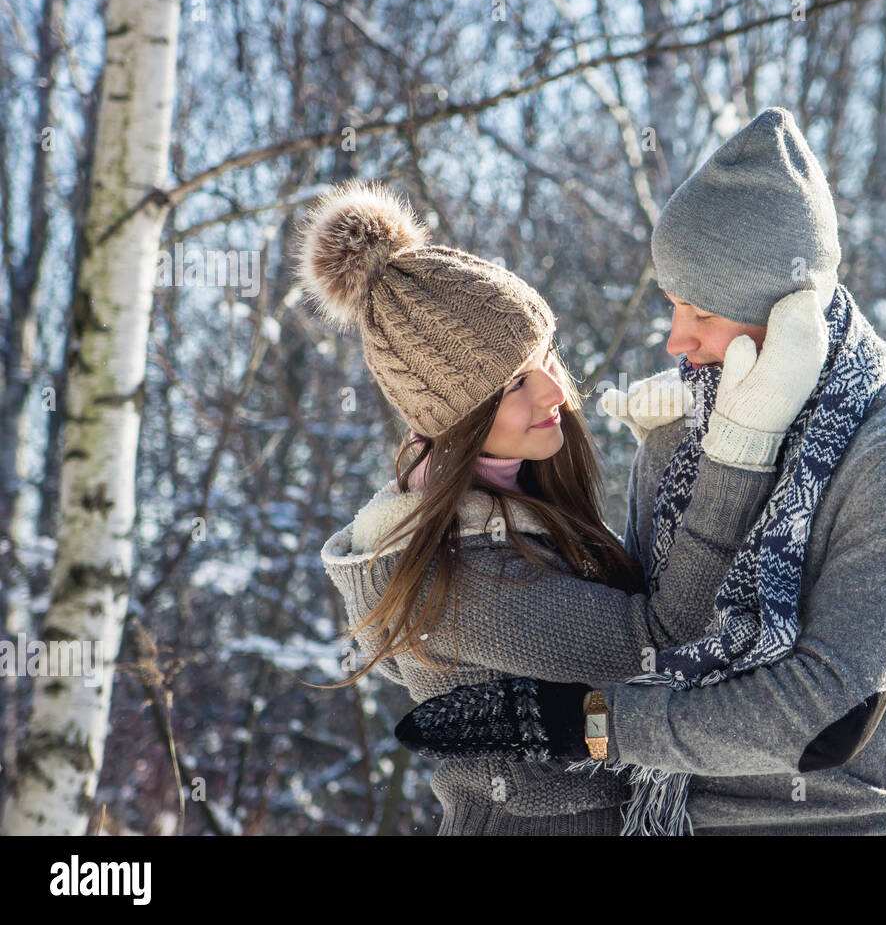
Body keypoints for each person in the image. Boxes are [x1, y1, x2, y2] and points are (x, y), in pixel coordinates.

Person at [394, 107, 886, 836]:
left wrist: (585, 723)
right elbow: (658, 635)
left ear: (787, 307)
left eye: (699, 311)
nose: (676, 338)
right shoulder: (680, 432)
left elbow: (825, 719)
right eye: (673, 305)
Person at [297, 178, 827, 834]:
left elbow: (632, 604)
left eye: (545, 351)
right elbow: (663, 649)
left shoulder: (519, 507)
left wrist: (674, 448)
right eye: (515, 380)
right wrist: (737, 449)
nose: (553, 386)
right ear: (456, 416)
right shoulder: (458, 577)